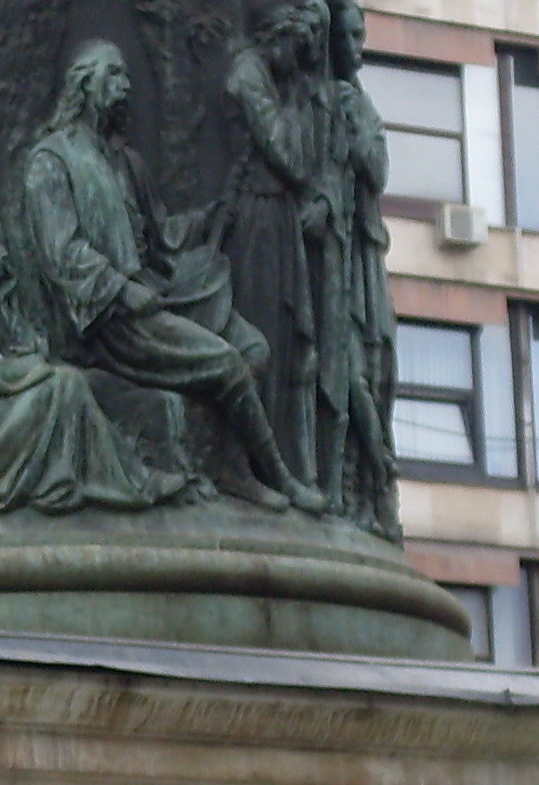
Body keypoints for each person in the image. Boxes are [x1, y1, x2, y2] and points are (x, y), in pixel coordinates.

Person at [20, 40, 326, 514]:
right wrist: (121, 290)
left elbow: (161, 236)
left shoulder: (125, 161)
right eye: (115, 76)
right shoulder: (51, 161)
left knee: (254, 350)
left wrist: (210, 218)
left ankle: (228, 465)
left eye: (125, 76)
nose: (125, 88)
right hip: (106, 320)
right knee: (226, 363)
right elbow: (61, 253)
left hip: (154, 294)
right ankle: (278, 477)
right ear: (85, 84)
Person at [0, 211, 181, 513]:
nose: (2, 254)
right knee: (65, 383)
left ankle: (110, 476)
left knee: (71, 383)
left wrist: (17, 321)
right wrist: (42, 369)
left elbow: (25, 349)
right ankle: (126, 482)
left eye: (1, 244)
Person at [223, 0, 330, 487]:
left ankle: (280, 461)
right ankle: (252, 465)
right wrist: (292, 102)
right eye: (298, 45)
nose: (304, 57)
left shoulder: (274, 76)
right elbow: (288, 155)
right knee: (262, 333)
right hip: (257, 218)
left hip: (278, 218)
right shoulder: (249, 74)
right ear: (277, 38)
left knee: (287, 341)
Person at [312, 0, 401, 536]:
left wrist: (351, 125)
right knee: (339, 364)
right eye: (345, 37)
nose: (355, 50)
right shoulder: (317, 101)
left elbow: (376, 168)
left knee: (364, 367)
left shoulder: (355, 104)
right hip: (329, 254)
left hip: (358, 255)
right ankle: (362, 476)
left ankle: (374, 480)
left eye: (359, 37)